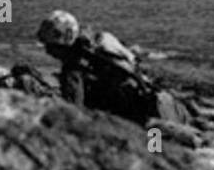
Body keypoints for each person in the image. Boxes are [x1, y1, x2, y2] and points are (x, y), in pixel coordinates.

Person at [37, 10, 192, 125]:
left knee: (156, 157)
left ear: (63, 42)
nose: (48, 51)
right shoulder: (96, 46)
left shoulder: (74, 67)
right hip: (155, 106)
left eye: (51, 46)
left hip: (144, 120)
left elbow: (73, 112)